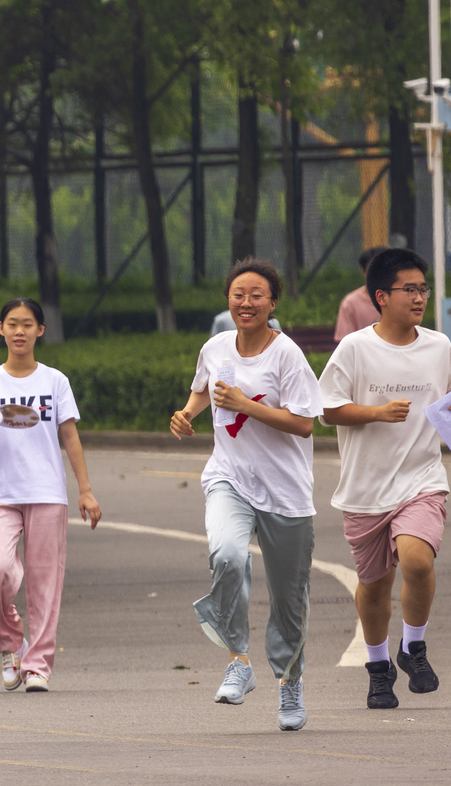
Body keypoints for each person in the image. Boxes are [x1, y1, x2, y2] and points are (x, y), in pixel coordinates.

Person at [170, 259, 321, 731]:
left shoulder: (287, 355)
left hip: (285, 491)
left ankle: (290, 682)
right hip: (229, 477)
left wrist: (245, 406)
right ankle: (239, 660)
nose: (246, 303)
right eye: (238, 294)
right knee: (228, 556)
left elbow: (303, 422)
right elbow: (201, 390)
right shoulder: (215, 347)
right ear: (228, 300)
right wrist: (188, 412)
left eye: (257, 295)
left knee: (288, 599)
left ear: (272, 303)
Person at [318, 247, 451, 710]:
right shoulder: (355, 348)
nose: (420, 297)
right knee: (376, 584)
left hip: (422, 479)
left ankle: (415, 646)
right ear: (382, 296)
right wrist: (375, 413)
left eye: (423, 288)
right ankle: (379, 667)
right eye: (410, 289)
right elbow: (325, 408)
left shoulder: (438, 345)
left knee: (417, 561)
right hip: (365, 490)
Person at [0, 297, 102, 694]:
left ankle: (38, 665)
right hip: (2, 493)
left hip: (46, 492)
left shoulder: (54, 381)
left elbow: (69, 435)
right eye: (12, 324)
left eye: (27, 324)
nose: (19, 331)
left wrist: (85, 490)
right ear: (0, 329)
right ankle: (11, 644)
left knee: (44, 582)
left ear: (40, 330)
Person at [334, 247, 383, 342]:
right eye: (373, 270)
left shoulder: (400, 299)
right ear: (364, 272)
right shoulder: (350, 303)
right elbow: (344, 342)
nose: (379, 274)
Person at [211, 309, 280, 335]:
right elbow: (213, 347)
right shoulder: (222, 320)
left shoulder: (272, 322)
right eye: (238, 295)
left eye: (256, 296)